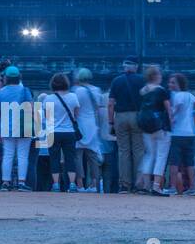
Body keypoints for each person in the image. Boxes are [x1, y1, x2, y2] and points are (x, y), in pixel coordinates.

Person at [107, 58, 146, 193]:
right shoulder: (142, 80)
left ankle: (125, 185)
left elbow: (111, 103)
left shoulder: (116, 81)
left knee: (123, 151)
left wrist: (111, 121)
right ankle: (139, 185)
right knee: (139, 151)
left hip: (121, 116)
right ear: (136, 66)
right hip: (137, 116)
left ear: (124, 67)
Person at [38, 73, 81, 192]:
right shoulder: (73, 97)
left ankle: (56, 185)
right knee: (70, 158)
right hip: (69, 132)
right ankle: (72, 184)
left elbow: (46, 117)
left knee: (54, 158)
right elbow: (76, 114)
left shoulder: (48, 98)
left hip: (54, 132)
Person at [136, 64, 174, 196]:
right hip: (161, 126)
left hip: (146, 127)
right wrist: (171, 122)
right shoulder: (161, 90)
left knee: (149, 154)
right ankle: (156, 186)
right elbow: (168, 110)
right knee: (161, 155)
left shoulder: (142, 91)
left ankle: (146, 185)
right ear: (155, 76)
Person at [0, 65, 34, 191]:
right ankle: (22, 182)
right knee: (23, 156)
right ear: (19, 77)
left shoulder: (1, 92)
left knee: (8, 155)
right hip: (24, 127)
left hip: (6, 126)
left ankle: (5, 182)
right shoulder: (25, 90)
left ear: (5, 78)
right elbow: (31, 109)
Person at [70, 68, 105, 192]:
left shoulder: (77, 91)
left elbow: (74, 109)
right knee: (93, 155)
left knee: (78, 155)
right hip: (92, 124)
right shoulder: (97, 90)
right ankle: (95, 184)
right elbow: (99, 110)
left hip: (79, 124)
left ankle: (80, 184)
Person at [166, 73, 195, 195]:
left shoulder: (177, 96)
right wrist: (193, 120)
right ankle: (192, 188)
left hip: (177, 132)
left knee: (174, 162)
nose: (170, 84)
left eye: (173, 82)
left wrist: (171, 117)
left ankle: (173, 186)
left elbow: (177, 107)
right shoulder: (189, 95)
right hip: (190, 133)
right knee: (190, 162)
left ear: (179, 84)